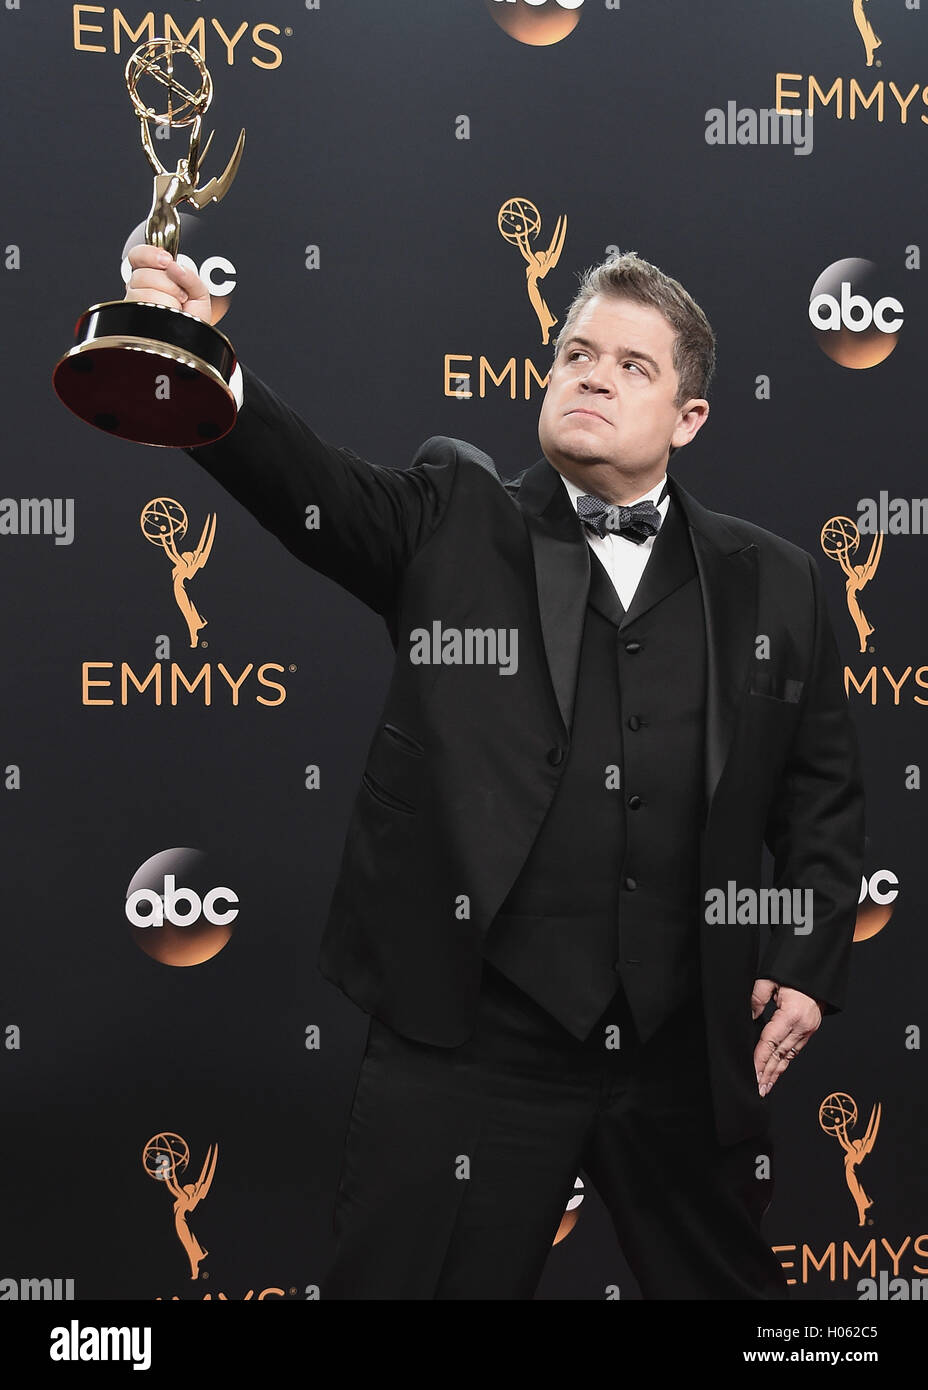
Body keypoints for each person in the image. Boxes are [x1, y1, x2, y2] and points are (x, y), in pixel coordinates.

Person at [124, 245, 866, 1299]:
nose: (593, 373)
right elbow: (305, 484)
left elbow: (822, 792)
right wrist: (192, 354)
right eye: (575, 352)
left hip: (681, 1049)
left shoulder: (779, 582)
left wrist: (803, 954)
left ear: (689, 419)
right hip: (471, 1039)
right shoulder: (451, 514)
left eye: (632, 365)